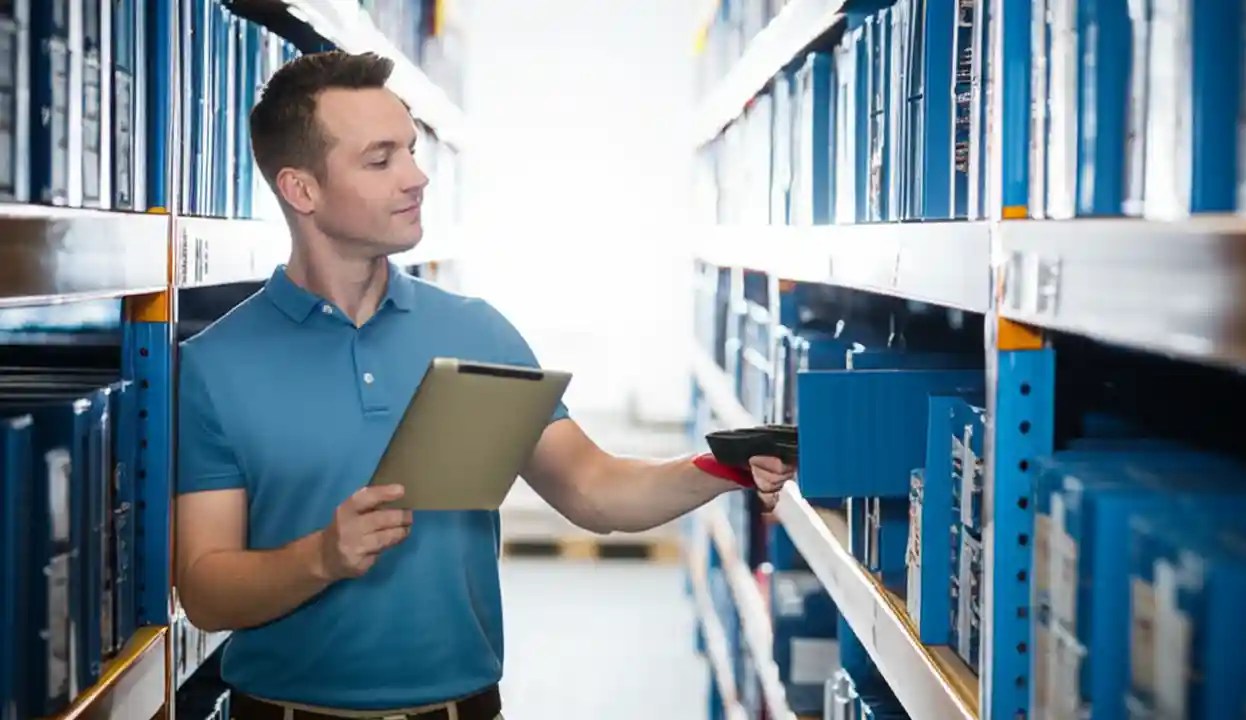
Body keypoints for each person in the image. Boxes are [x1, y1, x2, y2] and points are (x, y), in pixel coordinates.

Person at [175, 50, 793, 720]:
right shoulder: (217, 365)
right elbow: (206, 591)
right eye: (381, 160)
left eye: (411, 150)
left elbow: (594, 489)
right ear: (301, 190)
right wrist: (321, 557)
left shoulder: (476, 333)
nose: (417, 177)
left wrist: (721, 467)